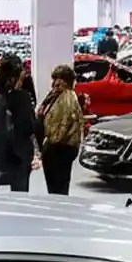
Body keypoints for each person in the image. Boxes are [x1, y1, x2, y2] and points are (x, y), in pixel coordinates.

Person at [0, 54, 38, 192]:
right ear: (15, 76)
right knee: (19, 195)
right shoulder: (21, 98)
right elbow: (28, 126)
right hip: (17, 157)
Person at [36, 65, 84, 196]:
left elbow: (63, 124)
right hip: (54, 147)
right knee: (54, 185)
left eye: (59, 80)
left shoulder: (67, 97)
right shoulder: (55, 95)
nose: (55, 83)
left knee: (58, 187)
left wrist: (49, 143)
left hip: (60, 148)